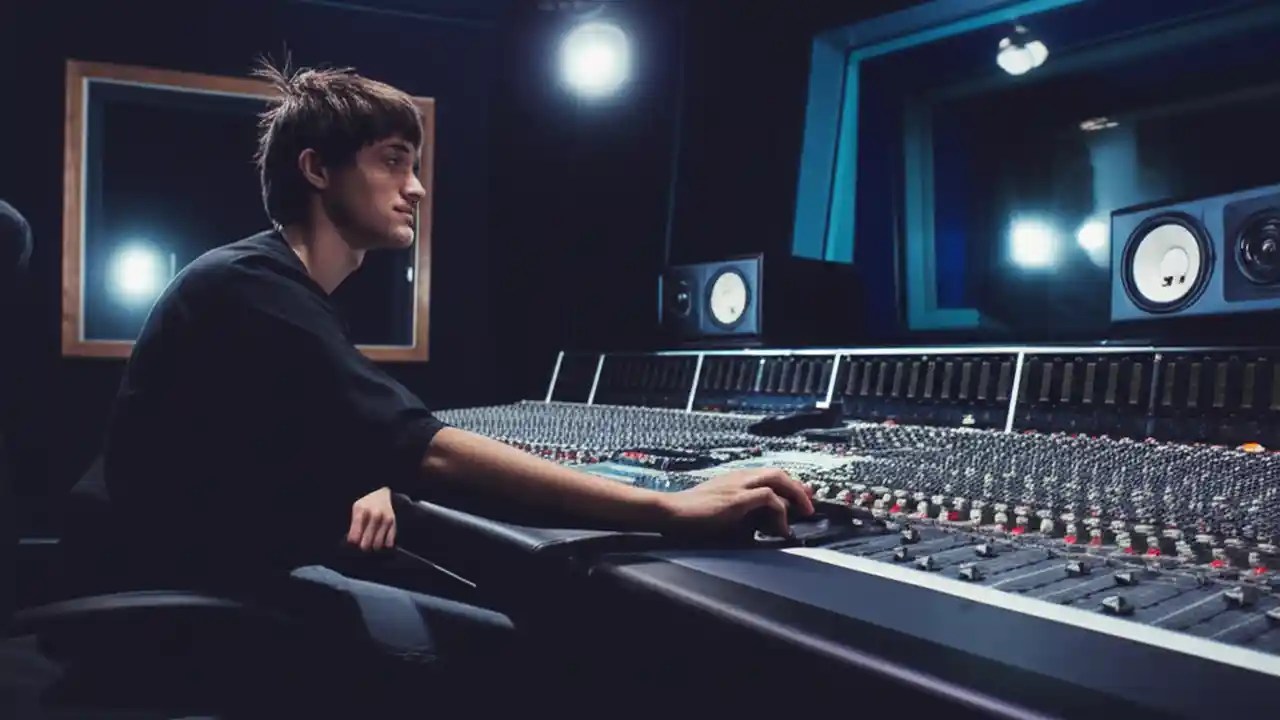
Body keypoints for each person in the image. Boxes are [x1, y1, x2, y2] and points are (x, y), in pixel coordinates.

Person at [100, 58, 813, 708]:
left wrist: (368, 472)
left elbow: (297, 440)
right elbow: (429, 450)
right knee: (552, 661)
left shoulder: (263, 285)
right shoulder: (252, 287)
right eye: (393, 161)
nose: (415, 188)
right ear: (317, 169)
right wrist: (670, 507)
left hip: (214, 586)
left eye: (414, 166)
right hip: (188, 619)